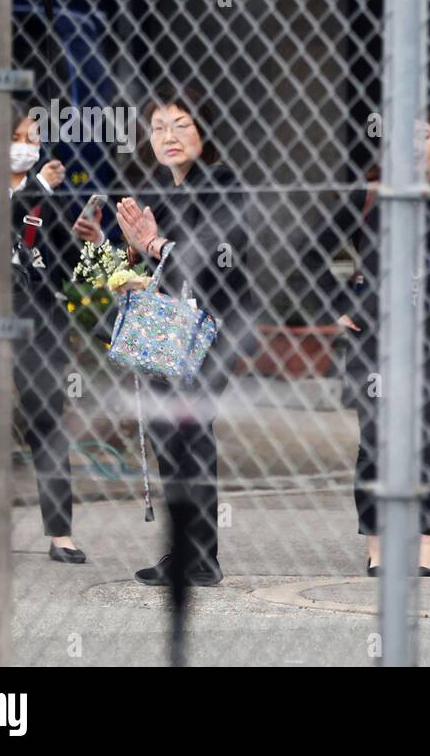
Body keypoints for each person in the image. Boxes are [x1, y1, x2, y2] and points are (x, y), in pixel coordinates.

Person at [114, 87, 251, 588]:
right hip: (173, 331)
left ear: (204, 132)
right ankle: (188, 553)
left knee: (189, 436)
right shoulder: (165, 189)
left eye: (181, 125)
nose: (168, 137)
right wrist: (131, 256)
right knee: (176, 437)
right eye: (158, 128)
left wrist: (153, 242)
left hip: (211, 332)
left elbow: (218, 256)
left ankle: (198, 556)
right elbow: (165, 264)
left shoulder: (219, 183)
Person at [326, 119, 430, 577]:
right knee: (377, 444)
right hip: (374, 340)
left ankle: (427, 552)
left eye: (424, 135)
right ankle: (378, 548)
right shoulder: (369, 197)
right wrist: (343, 305)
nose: (416, 145)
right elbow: (312, 253)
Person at [9, 110, 86, 564]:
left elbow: (65, 266)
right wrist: (38, 187)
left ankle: (60, 533)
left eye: (33, 139)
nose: (25, 145)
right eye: (17, 137)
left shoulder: (49, 198)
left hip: (39, 319)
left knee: (48, 424)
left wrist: (84, 238)